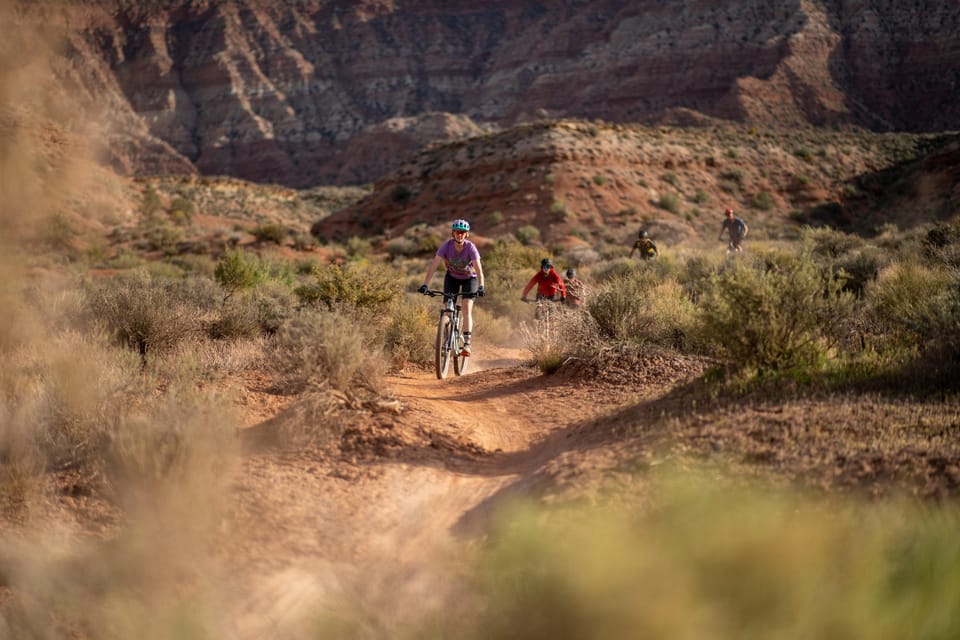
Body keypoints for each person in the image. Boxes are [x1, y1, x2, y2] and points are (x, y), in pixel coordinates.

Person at [419, 219, 485, 356]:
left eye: (462, 233)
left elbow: (479, 270)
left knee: (466, 307)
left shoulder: (471, 247)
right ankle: (446, 340)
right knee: (447, 310)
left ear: (466, 234)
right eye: (457, 232)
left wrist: (481, 286)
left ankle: (467, 344)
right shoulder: (446, 246)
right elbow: (434, 265)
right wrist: (425, 284)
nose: (459, 235)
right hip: (452, 278)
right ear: (453, 233)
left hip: (469, 279)